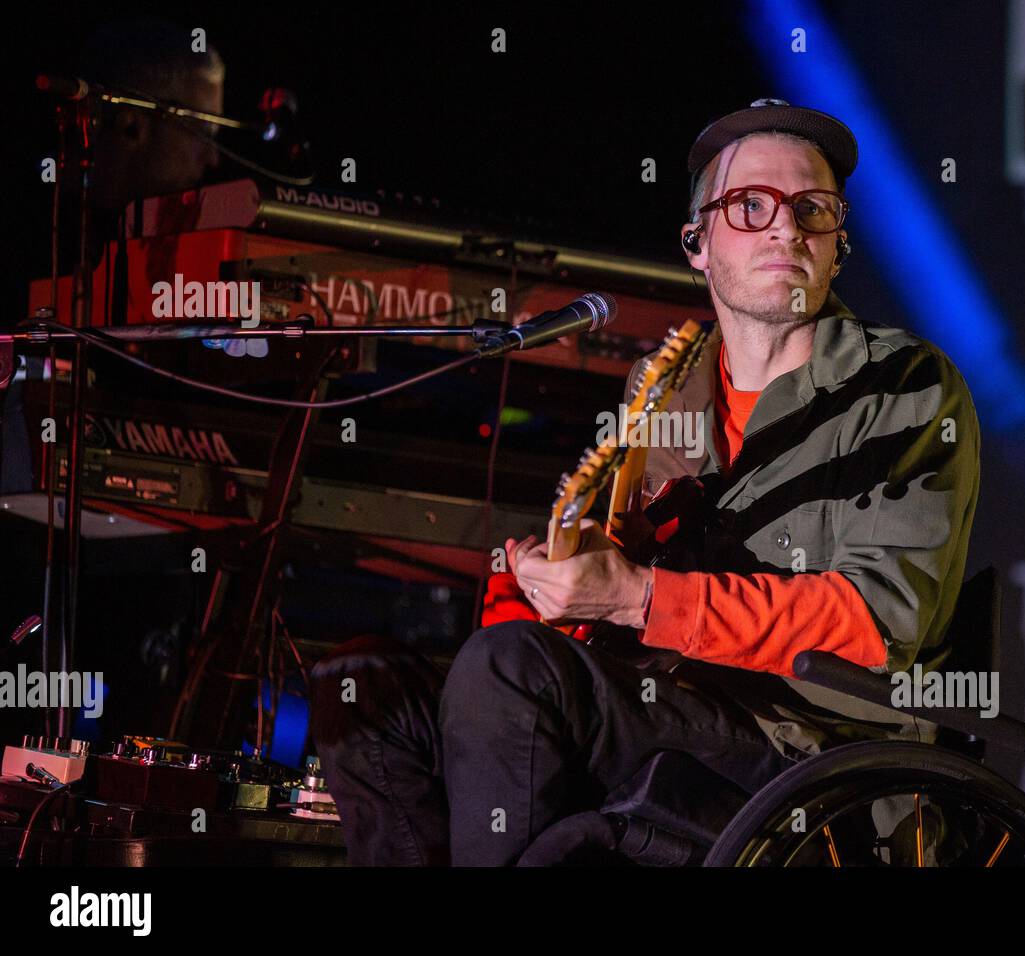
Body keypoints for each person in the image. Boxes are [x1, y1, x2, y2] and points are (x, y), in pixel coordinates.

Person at [309, 98, 981, 866]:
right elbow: (620, 586)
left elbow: (877, 623)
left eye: (813, 209)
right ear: (697, 244)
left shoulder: (906, 388)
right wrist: (569, 579)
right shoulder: (661, 390)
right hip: (662, 710)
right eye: (751, 205)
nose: (786, 229)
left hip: (811, 759)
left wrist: (635, 595)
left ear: (837, 245)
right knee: (362, 686)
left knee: (514, 673)